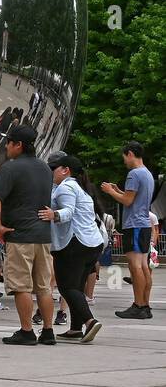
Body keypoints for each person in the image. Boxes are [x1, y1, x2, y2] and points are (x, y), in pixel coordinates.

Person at [0, 125, 56, 345]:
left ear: (18, 145)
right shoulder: (46, 168)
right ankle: (48, 331)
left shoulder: (11, 168)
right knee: (44, 287)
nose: (6, 146)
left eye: (8, 142)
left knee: (21, 286)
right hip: (43, 236)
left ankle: (26, 331)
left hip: (20, 235)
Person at [42, 154, 104, 343]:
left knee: (66, 287)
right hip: (92, 243)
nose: (51, 173)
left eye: (53, 169)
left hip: (74, 244)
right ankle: (75, 329)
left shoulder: (66, 187)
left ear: (65, 170)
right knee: (77, 286)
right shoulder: (81, 187)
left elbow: (68, 212)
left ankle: (90, 321)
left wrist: (53, 214)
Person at [101, 141, 155, 319]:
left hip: (134, 225)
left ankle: (138, 305)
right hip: (145, 224)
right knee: (144, 266)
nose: (124, 161)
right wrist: (119, 191)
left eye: (124, 157)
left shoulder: (133, 174)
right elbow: (132, 197)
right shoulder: (146, 173)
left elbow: (128, 202)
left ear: (130, 154)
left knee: (135, 266)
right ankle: (145, 305)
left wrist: (110, 191)